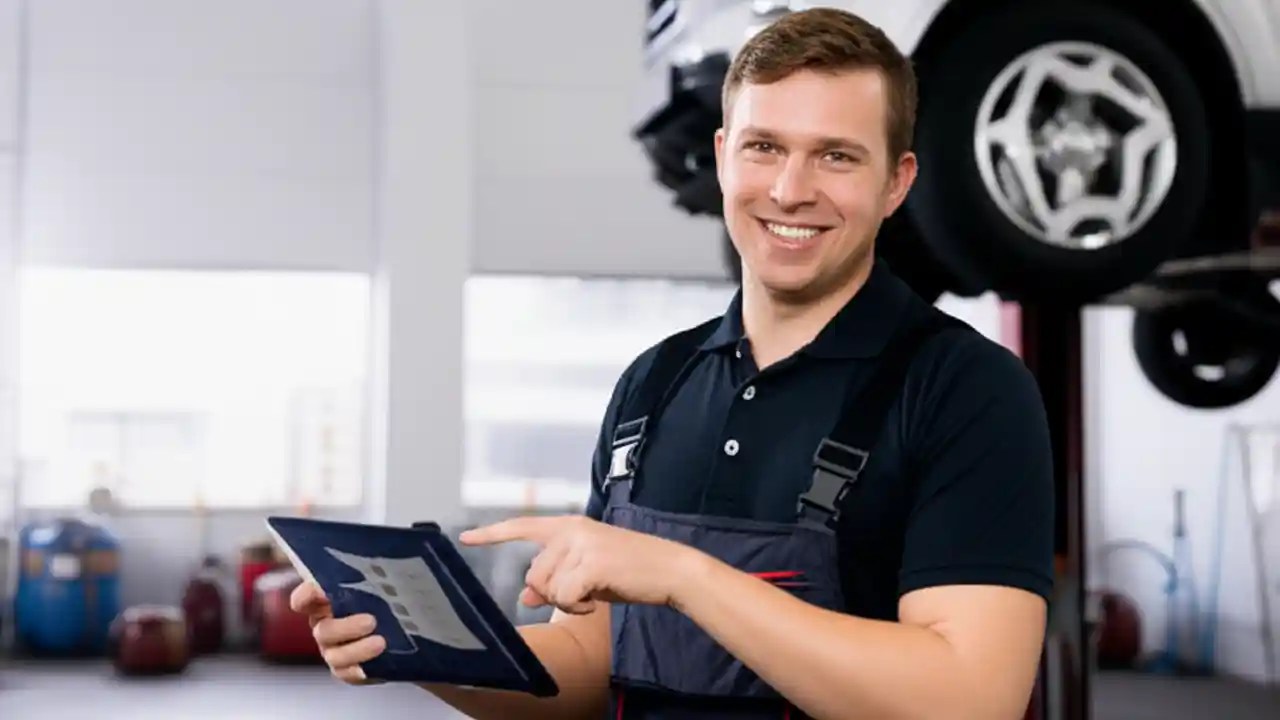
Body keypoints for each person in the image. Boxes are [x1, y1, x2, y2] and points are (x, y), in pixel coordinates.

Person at [291, 8, 1054, 719]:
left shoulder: (967, 390)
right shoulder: (654, 384)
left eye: (836, 156)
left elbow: (969, 696)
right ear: (724, 157)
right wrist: (423, 648)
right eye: (765, 147)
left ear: (896, 183)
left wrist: (684, 577)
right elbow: (592, 659)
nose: (791, 190)